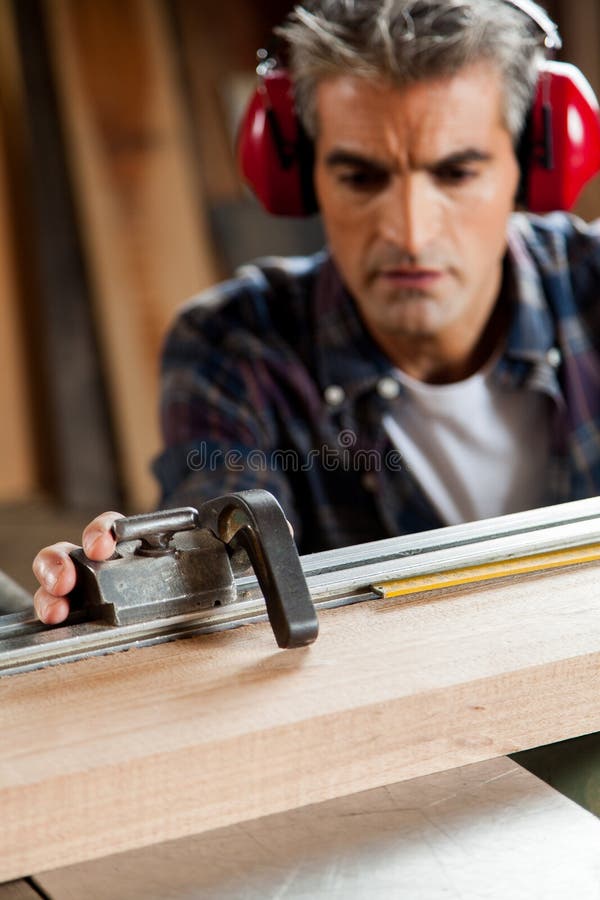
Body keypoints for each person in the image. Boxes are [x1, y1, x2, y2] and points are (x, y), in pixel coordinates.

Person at [29, 0, 600, 816]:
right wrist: (139, 584)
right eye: (362, 175)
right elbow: (217, 545)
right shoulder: (234, 344)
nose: (409, 228)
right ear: (298, 171)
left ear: (534, 162)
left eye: (456, 171)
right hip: (392, 778)